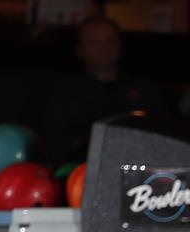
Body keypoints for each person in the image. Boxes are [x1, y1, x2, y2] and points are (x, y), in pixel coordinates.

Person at [44, 16, 166, 163]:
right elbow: (55, 143)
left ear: (119, 46)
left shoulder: (145, 90)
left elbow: (161, 139)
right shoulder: (65, 92)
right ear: (80, 50)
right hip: (81, 169)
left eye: (110, 41)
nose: (103, 48)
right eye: (93, 42)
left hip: (137, 168)